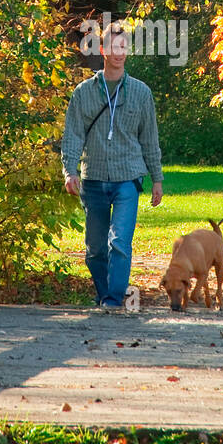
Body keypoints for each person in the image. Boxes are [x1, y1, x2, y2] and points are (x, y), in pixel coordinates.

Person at [61, 20, 164, 311]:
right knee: (94, 250)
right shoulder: (84, 92)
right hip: (92, 178)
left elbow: (150, 139)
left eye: (124, 47)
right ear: (103, 49)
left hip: (127, 179)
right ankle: (105, 293)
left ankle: (113, 298)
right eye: (113, 47)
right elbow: (72, 136)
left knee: (118, 242)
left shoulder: (141, 93)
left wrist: (157, 179)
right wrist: (69, 171)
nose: (119, 53)